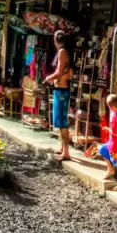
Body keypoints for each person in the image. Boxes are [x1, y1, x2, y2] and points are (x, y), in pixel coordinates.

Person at [43, 30, 74, 161]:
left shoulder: (62, 52)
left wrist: (47, 78)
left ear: (55, 40)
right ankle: (62, 148)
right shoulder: (63, 51)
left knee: (62, 123)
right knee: (60, 122)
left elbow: (59, 72)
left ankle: (66, 152)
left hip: (61, 91)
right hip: (60, 90)